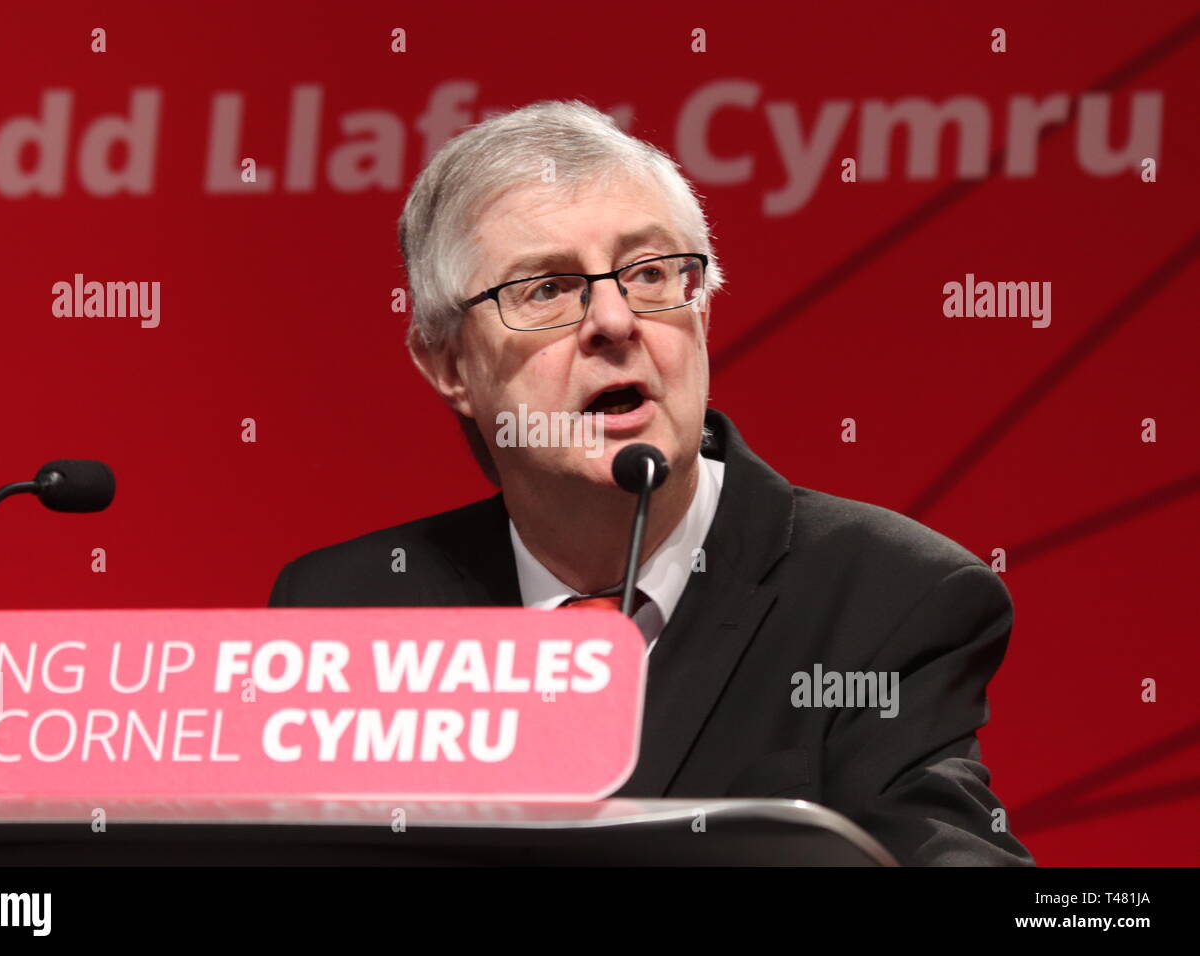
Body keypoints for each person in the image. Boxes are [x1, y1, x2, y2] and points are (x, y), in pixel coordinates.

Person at [269, 99, 1035, 866]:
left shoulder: (884, 600)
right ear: (447, 365)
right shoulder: (349, 614)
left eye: (650, 273)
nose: (613, 320)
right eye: (545, 288)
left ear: (700, 311)